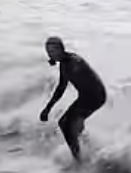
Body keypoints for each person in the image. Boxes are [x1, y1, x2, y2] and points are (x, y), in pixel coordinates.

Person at [39, 35, 106, 164]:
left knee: (65, 124)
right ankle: (88, 149)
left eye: (54, 51)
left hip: (95, 96)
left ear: (61, 49)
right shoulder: (64, 64)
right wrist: (48, 108)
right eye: (49, 52)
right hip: (86, 97)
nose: (51, 55)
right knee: (68, 125)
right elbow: (61, 87)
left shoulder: (73, 61)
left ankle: (79, 161)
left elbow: (77, 66)